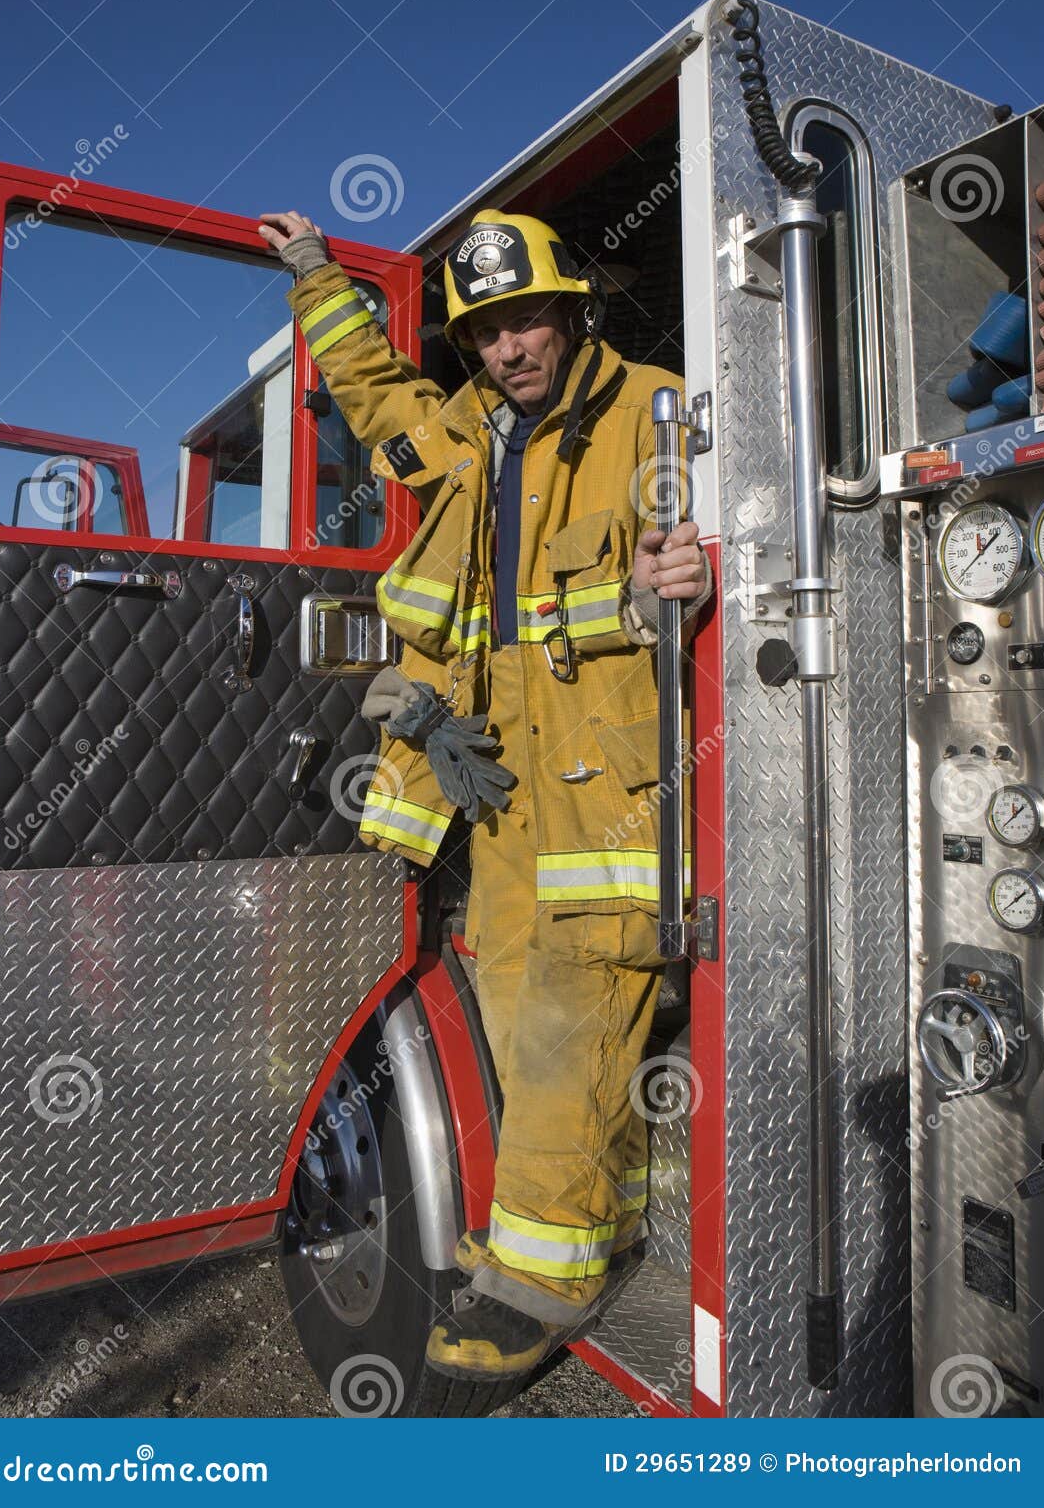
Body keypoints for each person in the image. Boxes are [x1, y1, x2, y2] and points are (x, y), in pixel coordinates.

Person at [259, 205, 712, 1381]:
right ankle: (591, 1224)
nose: (510, 348)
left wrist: (691, 567)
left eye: (526, 320)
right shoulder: (463, 428)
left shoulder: (655, 406)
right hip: (496, 771)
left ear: (571, 311)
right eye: (486, 332)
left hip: (602, 773)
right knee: (517, 1010)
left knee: (573, 1012)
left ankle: (535, 1288)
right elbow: (367, 385)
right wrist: (313, 269)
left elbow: (716, 539)